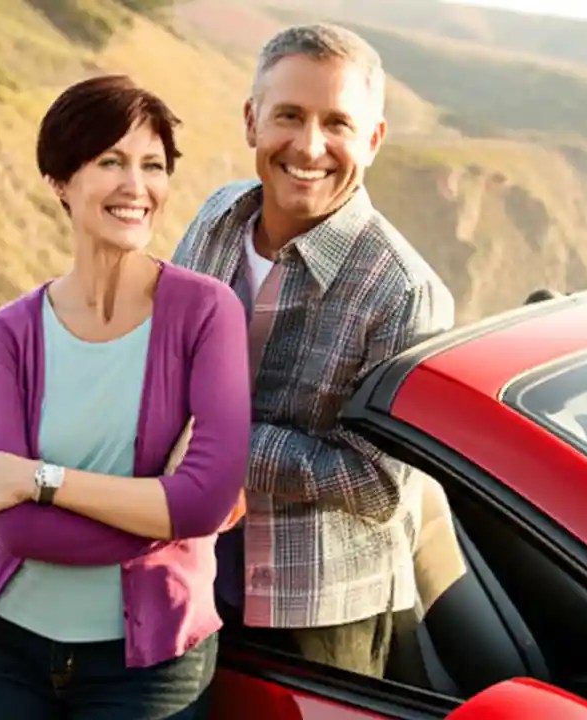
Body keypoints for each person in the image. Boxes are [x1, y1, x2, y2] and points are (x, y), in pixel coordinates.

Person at [0, 75, 251, 719]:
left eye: (152, 166)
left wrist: (38, 478)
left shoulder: (206, 314)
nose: (136, 186)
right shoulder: (8, 334)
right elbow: (15, 528)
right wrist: (158, 508)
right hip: (2, 653)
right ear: (60, 179)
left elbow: (205, 503)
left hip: (147, 670)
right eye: (110, 161)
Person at [171, 23, 455, 679]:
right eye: (290, 116)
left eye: (337, 123)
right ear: (251, 121)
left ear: (374, 139)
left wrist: (222, 445)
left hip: (316, 612)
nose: (309, 146)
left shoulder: (405, 294)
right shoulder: (216, 216)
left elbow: (382, 484)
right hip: (186, 565)